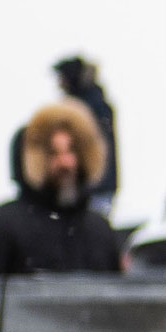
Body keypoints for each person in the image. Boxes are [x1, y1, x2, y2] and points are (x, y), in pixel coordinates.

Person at [0, 98, 122, 316]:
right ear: (33, 158)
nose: (66, 163)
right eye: (54, 154)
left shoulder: (99, 230)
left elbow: (117, 305)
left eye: (72, 151)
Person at [52, 55, 119, 215]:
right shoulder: (91, 105)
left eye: (61, 78)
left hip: (93, 188)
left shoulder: (86, 109)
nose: (59, 84)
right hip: (92, 187)